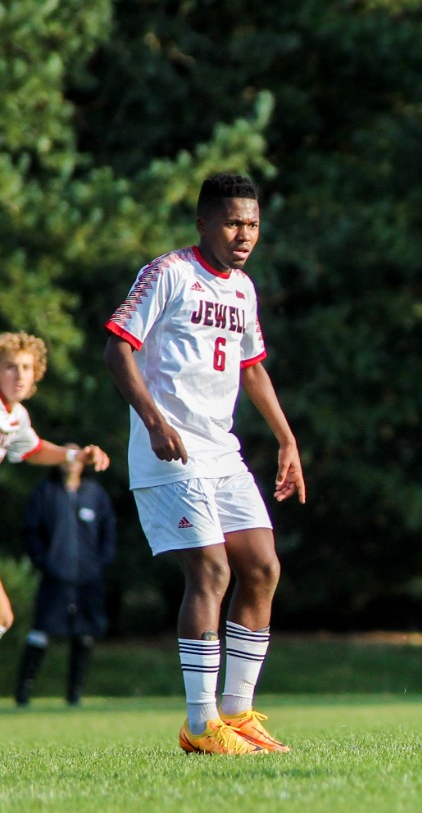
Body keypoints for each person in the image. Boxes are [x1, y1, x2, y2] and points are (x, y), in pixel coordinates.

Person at [104, 172, 306, 755]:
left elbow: (252, 367)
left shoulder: (242, 288)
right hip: (172, 450)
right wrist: (154, 420)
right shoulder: (168, 273)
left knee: (263, 567)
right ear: (204, 223)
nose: (244, 233)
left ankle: (238, 716)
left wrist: (287, 440)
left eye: (253, 224)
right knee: (211, 572)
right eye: (233, 222)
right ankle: (200, 723)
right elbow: (118, 348)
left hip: (222, 450)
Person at [0, 332, 112, 652]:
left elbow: (33, 450)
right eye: (9, 366)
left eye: (26, 367)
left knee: (3, 618)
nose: (19, 374)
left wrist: (75, 455)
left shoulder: (16, 416)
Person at [17, 450, 117, 707]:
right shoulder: (45, 492)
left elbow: (108, 531)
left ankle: (74, 696)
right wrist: (44, 561)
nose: (71, 461)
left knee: (84, 634)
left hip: (88, 578)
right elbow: (31, 531)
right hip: (55, 576)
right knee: (41, 632)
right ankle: (23, 695)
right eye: (66, 455)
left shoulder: (95, 493)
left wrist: (99, 563)